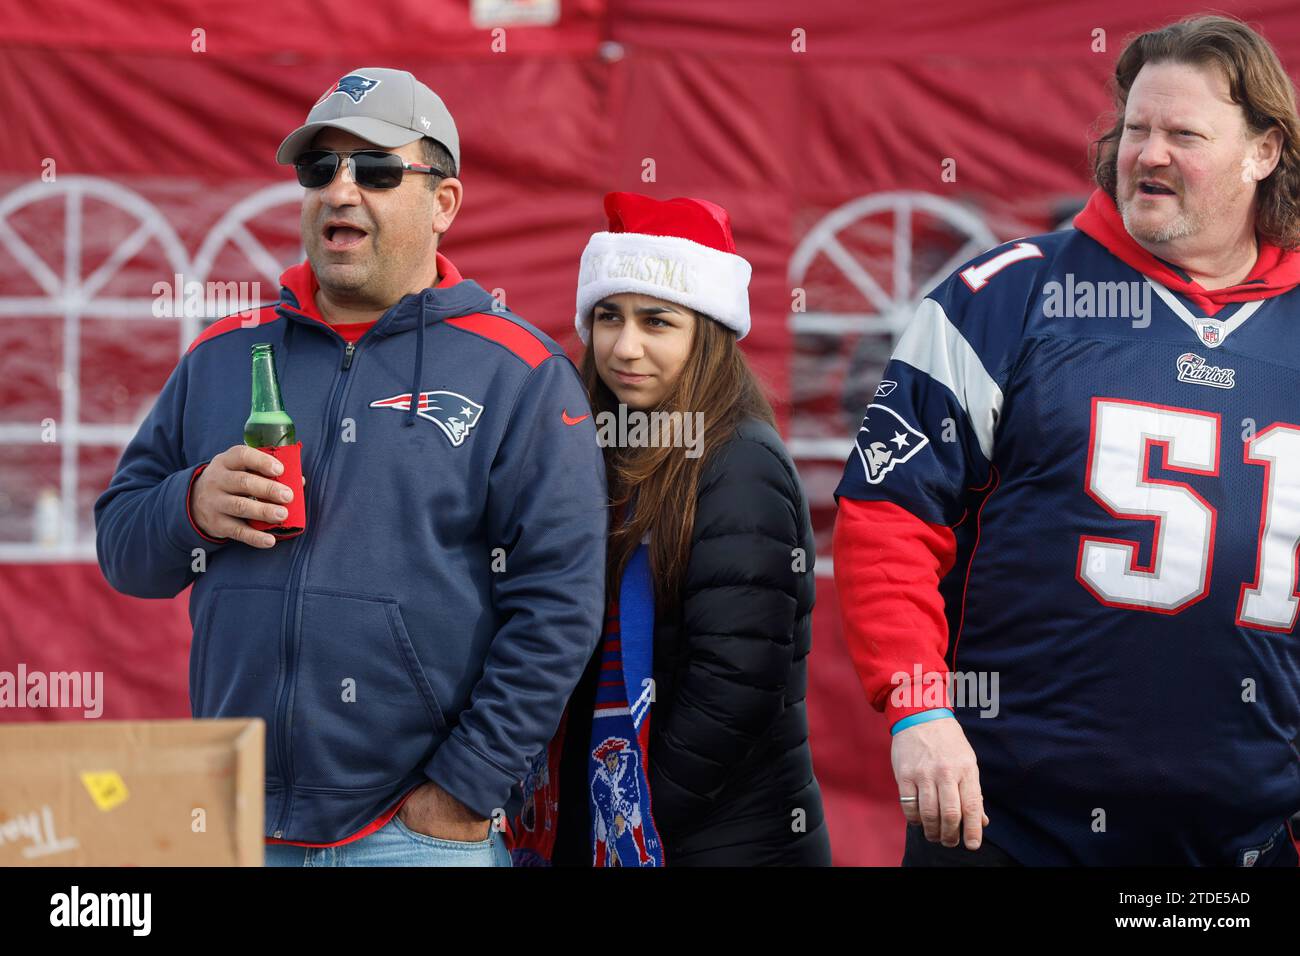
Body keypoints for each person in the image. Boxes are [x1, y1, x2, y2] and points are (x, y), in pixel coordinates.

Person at [94, 68, 608, 866]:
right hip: (233, 822)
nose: (340, 191)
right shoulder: (224, 353)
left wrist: (467, 787)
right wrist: (190, 507)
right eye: (318, 169)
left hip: (411, 834)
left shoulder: (518, 372)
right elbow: (125, 549)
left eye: (374, 171)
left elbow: (559, 604)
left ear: (444, 204)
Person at [832, 15, 1300, 866]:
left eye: (1183, 134)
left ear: (1263, 151)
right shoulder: (1001, 299)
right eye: (1137, 128)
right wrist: (918, 707)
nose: (1148, 153)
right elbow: (887, 519)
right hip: (1005, 822)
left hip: (1240, 841)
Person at [522, 191, 832, 866]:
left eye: (656, 321)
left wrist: (628, 819)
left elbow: (735, 686)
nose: (623, 346)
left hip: (722, 843)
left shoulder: (738, 460)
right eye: (608, 317)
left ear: (706, 334)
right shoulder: (593, 447)